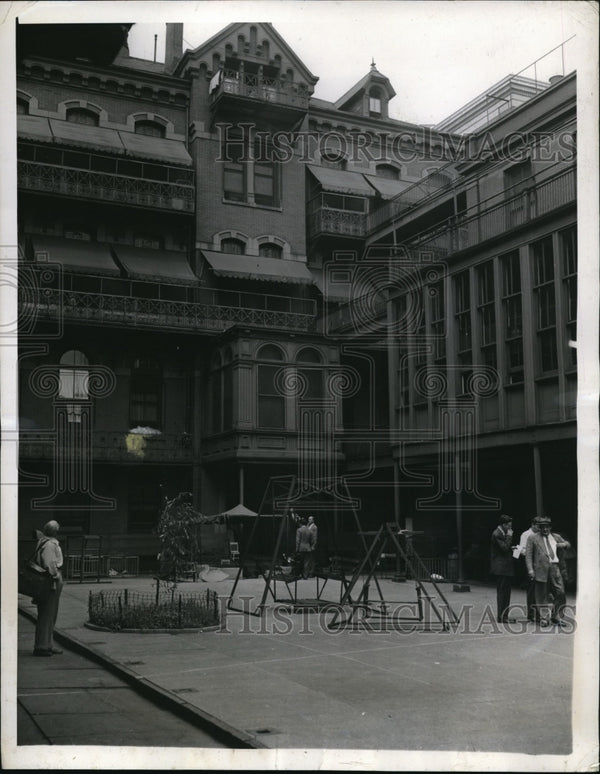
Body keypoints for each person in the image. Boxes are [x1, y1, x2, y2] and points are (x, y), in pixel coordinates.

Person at [525, 516, 570, 627]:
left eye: (547, 527)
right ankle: (544, 618)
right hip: (540, 569)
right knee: (542, 595)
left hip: (555, 568)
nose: (545, 530)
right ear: (539, 528)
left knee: (561, 592)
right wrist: (530, 569)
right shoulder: (532, 538)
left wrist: (563, 544)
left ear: (550, 527)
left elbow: (568, 544)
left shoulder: (556, 537)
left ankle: (556, 616)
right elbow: (528, 555)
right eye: (542, 527)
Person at [32, 521, 64, 656]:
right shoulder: (50, 545)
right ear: (55, 532)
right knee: (47, 614)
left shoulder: (43, 542)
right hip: (50, 583)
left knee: (49, 614)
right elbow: (50, 564)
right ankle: (42, 646)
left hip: (47, 582)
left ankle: (47, 643)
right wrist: (55, 575)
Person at [490, 514, 515, 623]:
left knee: (506, 592)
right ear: (503, 524)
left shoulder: (501, 532)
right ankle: (502, 617)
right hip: (501, 568)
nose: (510, 528)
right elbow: (504, 548)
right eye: (509, 526)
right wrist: (509, 536)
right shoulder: (497, 533)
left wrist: (511, 547)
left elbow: (504, 547)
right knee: (502, 593)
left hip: (504, 567)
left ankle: (504, 616)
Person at [517, 516, 541, 621]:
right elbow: (521, 549)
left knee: (539, 589)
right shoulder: (526, 534)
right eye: (538, 526)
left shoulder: (540, 535)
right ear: (533, 524)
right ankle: (531, 614)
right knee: (531, 590)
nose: (540, 528)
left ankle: (538, 613)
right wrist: (530, 553)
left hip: (539, 564)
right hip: (530, 563)